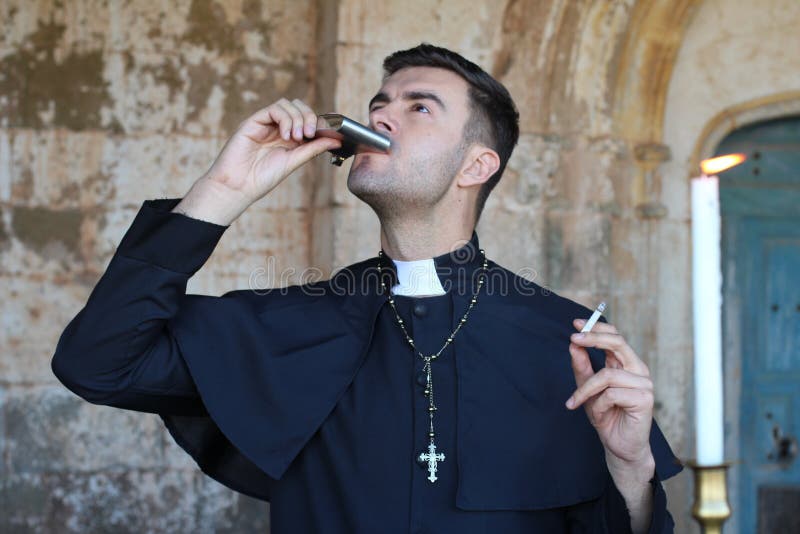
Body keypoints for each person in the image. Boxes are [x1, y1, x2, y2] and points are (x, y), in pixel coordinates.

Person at [52, 43, 683, 533]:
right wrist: (224, 190)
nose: (380, 114)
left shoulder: (571, 343)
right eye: (380, 103)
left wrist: (631, 468)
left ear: (476, 165)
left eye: (418, 107)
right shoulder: (292, 322)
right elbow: (97, 363)